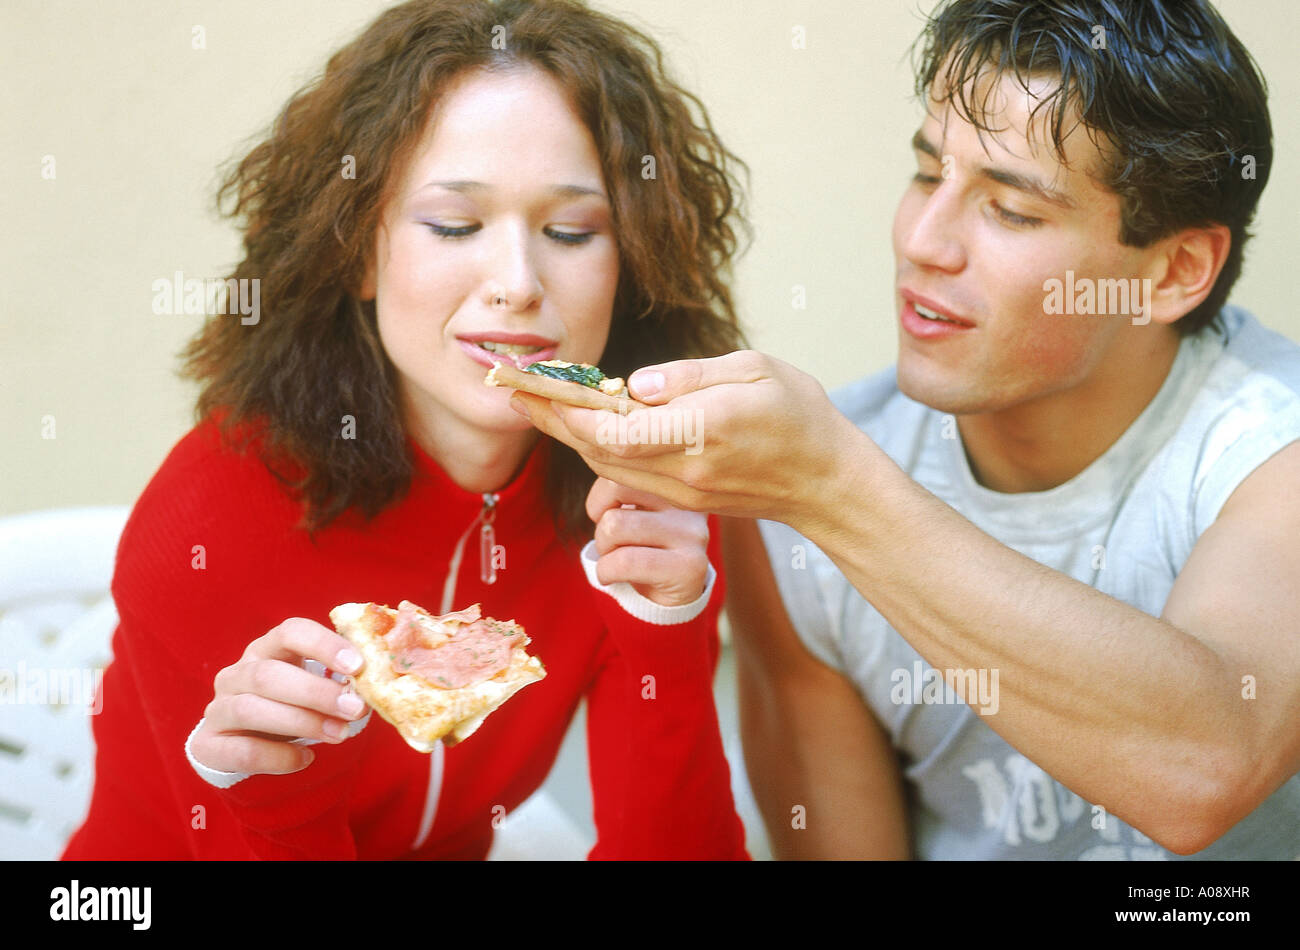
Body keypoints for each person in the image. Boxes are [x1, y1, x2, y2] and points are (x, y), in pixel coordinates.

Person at [514, 0, 1300, 859]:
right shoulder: (796, 511)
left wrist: (831, 489)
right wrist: (815, 496)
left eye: (1011, 211)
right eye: (929, 175)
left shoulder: (1269, 446)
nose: (924, 241)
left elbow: (1208, 767)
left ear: (1176, 270)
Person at [63, 0, 750, 860]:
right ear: (357, 250)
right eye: (455, 224)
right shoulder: (206, 523)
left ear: (634, 262)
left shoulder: (644, 508)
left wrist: (668, 633)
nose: (516, 282)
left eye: (571, 231)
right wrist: (278, 792)